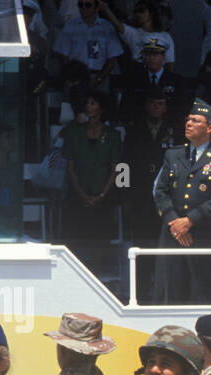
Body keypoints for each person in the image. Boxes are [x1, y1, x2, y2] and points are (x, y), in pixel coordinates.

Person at [152, 99, 211, 305]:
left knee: (202, 291)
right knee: (170, 292)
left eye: (195, 120)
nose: (188, 123)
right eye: (188, 120)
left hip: (203, 233)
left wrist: (189, 221)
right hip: (172, 233)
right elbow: (161, 191)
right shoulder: (173, 155)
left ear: (209, 128)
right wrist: (175, 222)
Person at [125, 88, 180, 301]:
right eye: (152, 103)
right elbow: (123, 164)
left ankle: (164, 293)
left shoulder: (174, 129)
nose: (155, 107)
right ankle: (139, 292)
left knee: (163, 246)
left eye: (159, 104)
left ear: (165, 107)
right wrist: (124, 195)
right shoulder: (135, 129)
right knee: (140, 246)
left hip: (166, 199)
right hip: (139, 196)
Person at [62, 91, 123, 277]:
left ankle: (97, 272)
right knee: (77, 232)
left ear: (102, 108)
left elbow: (117, 168)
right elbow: (70, 166)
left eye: (93, 103)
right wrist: (81, 193)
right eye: (87, 103)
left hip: (103, 193)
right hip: (78, 192)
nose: (89, 107)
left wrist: (102, 195)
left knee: (100, 234)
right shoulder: (74, 133)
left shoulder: (113, 135)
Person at [52, 0, 124, 92]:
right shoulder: (70, 26)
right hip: (76, 78)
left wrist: (100, 78)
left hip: (100, 77)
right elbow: (63, 54)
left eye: (88, 5)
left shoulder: (107, 27)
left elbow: (112, 58)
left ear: (97, 8)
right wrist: (70, 77)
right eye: (80, 5)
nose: (83, 8)